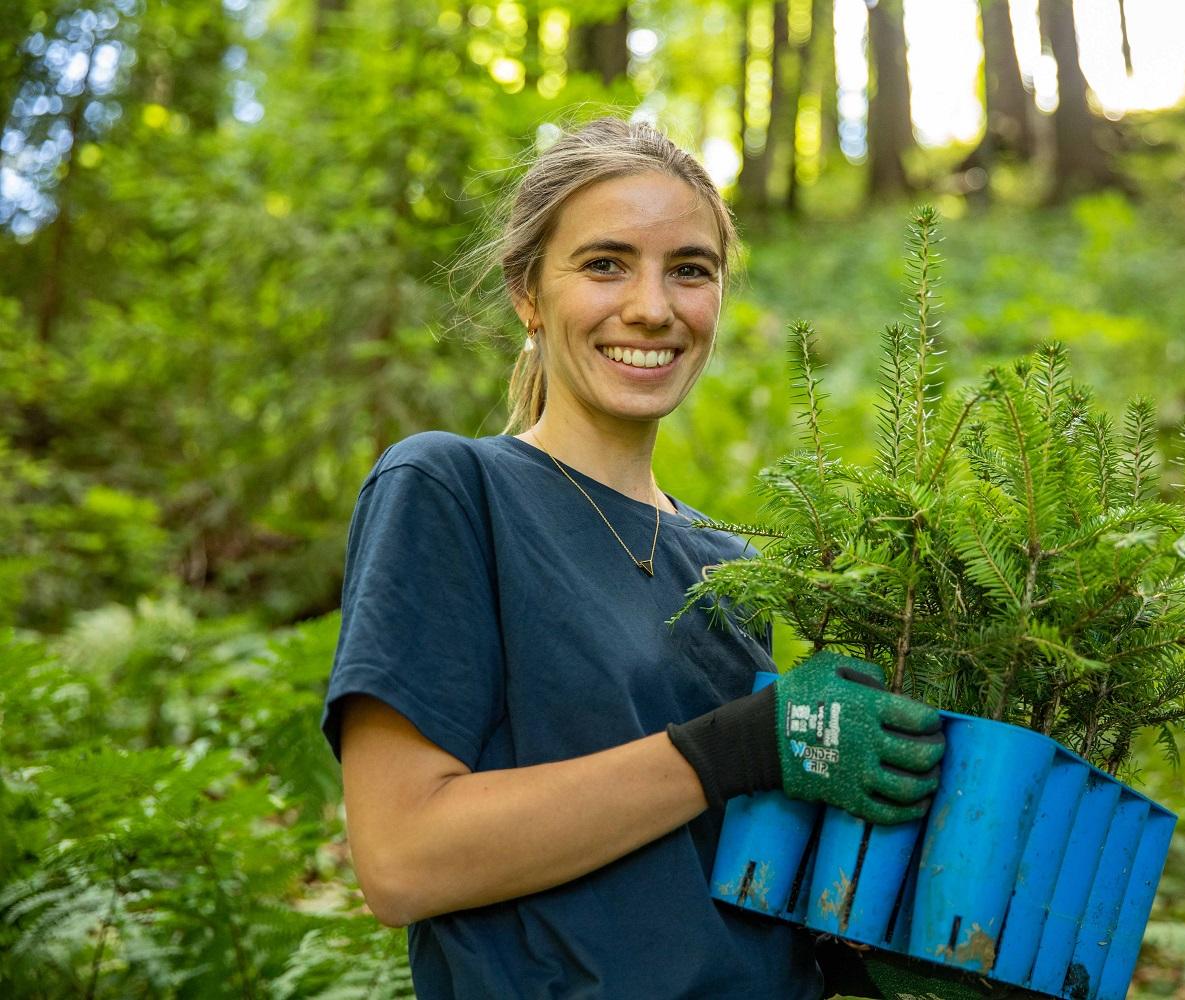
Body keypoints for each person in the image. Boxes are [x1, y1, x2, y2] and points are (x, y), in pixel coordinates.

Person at [321, 116, 945, 999]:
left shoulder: (729, 567)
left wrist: (879, 958)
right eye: (606, 263)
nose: (653, 307)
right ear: (527, 293)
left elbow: (704, 887)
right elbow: (403, 859)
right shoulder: (454, 488)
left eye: (691, 270)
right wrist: (734, 748)